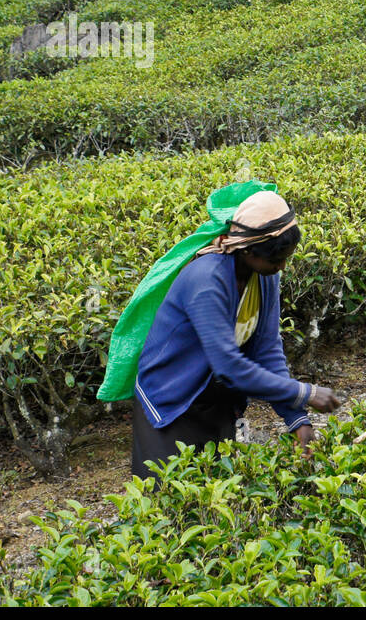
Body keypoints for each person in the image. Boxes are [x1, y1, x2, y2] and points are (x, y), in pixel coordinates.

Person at [130, 190, 341, 481]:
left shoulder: (263, 277)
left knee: (216, 497)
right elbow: (229, 367)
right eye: (277, 259)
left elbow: (266, 349)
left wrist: (296, 418)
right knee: (166, 498)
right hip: (172, 400)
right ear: (248, 251)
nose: (281, 267)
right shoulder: (207, 280)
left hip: (217, 398)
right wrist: (306, 393)